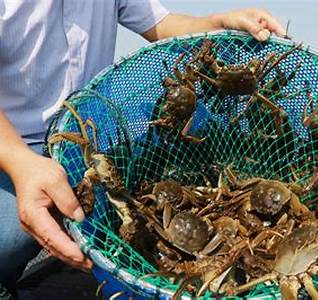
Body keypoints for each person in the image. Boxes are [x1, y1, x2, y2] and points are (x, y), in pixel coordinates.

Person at [0, 0, 285, 292]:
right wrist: (20, 163)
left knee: (188, 137)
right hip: (16, 146)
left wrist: (219, 22)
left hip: (92, 139)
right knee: (7, 240)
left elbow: (162, 24)